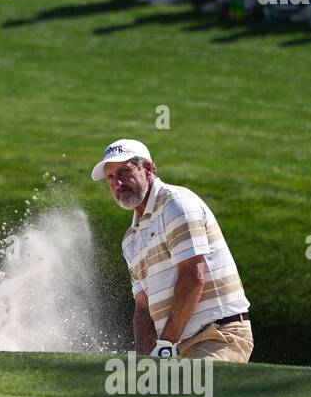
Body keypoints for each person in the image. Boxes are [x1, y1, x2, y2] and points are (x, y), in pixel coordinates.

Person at [91, 139, 253, 362]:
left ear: (146, 169)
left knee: (193, 393)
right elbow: (143, 309)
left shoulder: (176, 204)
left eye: (124, 172)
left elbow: (193, 277)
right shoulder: (131, 239)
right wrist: (145, 362)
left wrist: (165, 343)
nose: (117, 183)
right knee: (148, 395)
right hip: (176, 347)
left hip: (217, 336)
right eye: (110, 177)